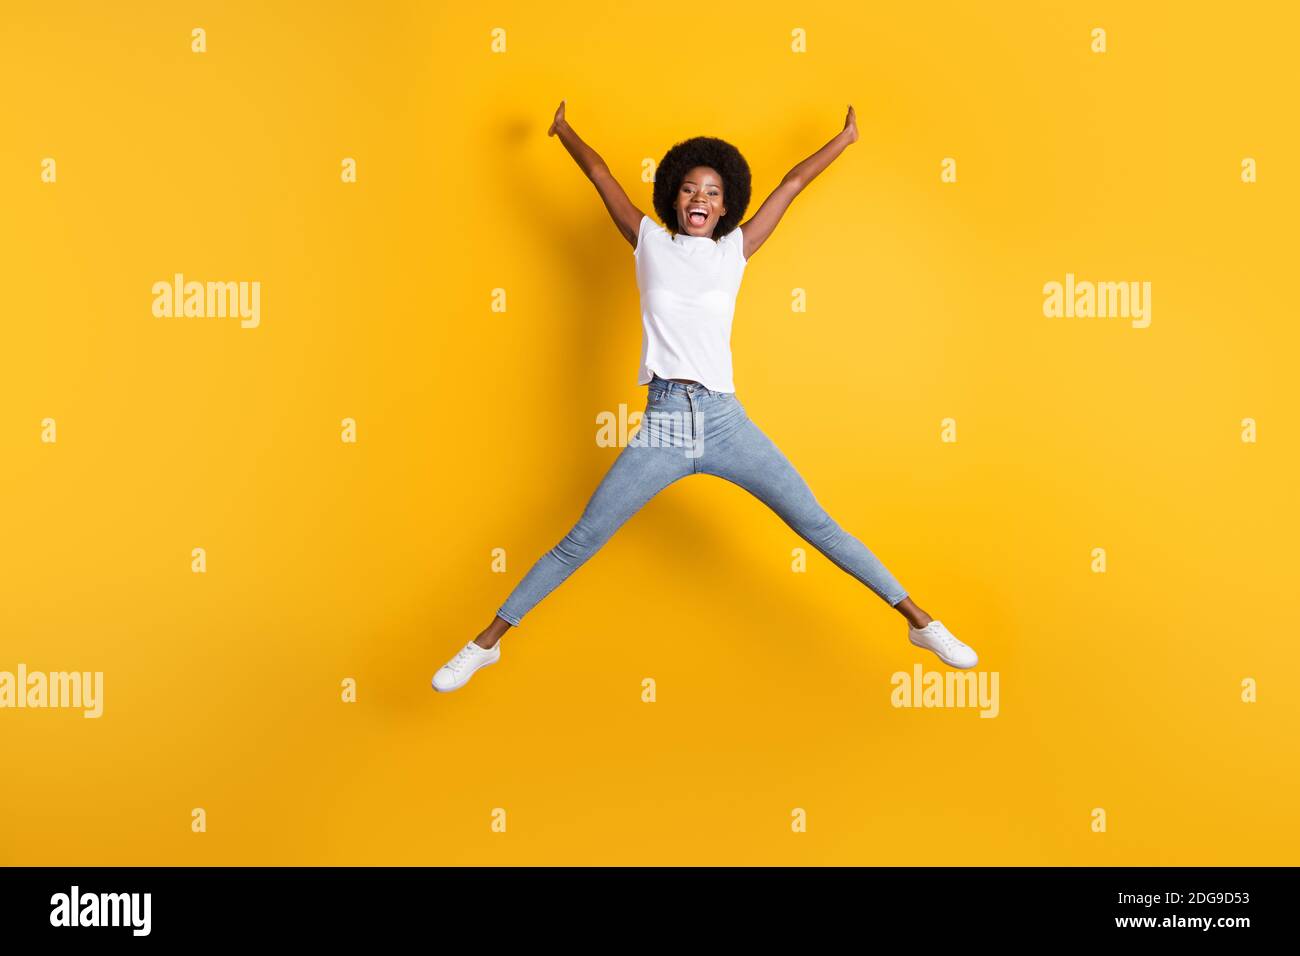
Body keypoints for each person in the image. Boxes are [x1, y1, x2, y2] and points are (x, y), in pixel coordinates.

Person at [433, 101, 977, 693]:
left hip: (724, 421)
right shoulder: (647, 241)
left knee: (817, 525)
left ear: (726, 204)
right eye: (690, 188)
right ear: (674, 196)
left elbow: (791, 184)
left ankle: (921, 623)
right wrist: (564, 131)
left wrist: (844, 139)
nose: (700, 198)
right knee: (581, 540)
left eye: (713, 192)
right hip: (664, 423)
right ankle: (483, 646)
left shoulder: (733, 252)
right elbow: (600, 175)